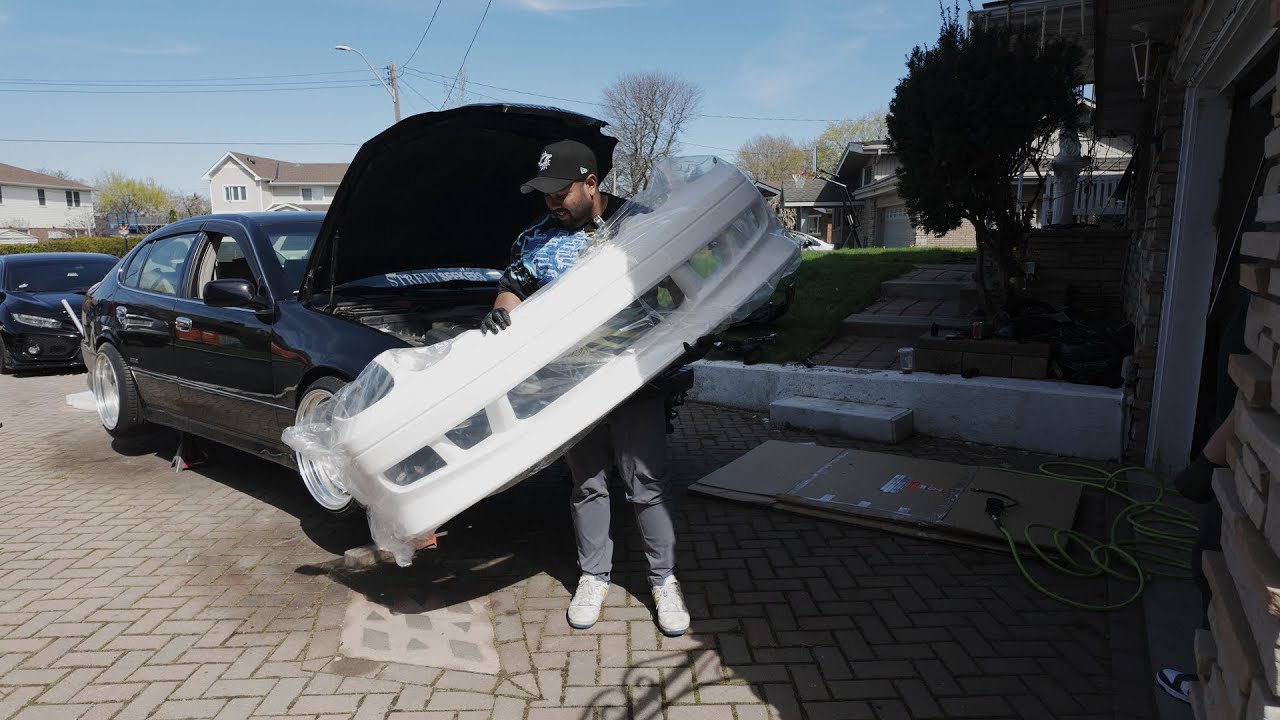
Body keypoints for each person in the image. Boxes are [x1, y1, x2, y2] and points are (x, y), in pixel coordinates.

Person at [481, 139, 690, 637]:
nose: (553, 202)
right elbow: (515, 285)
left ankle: (663, 581)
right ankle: (594, 576)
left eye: (561, 192)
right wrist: (500, 310)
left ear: (591, 183)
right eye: (545, 194)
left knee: (647, 484)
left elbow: (683, 286)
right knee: (588, 484)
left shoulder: (640, 226)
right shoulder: (533, 238)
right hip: (571, 385)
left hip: (635, 376)